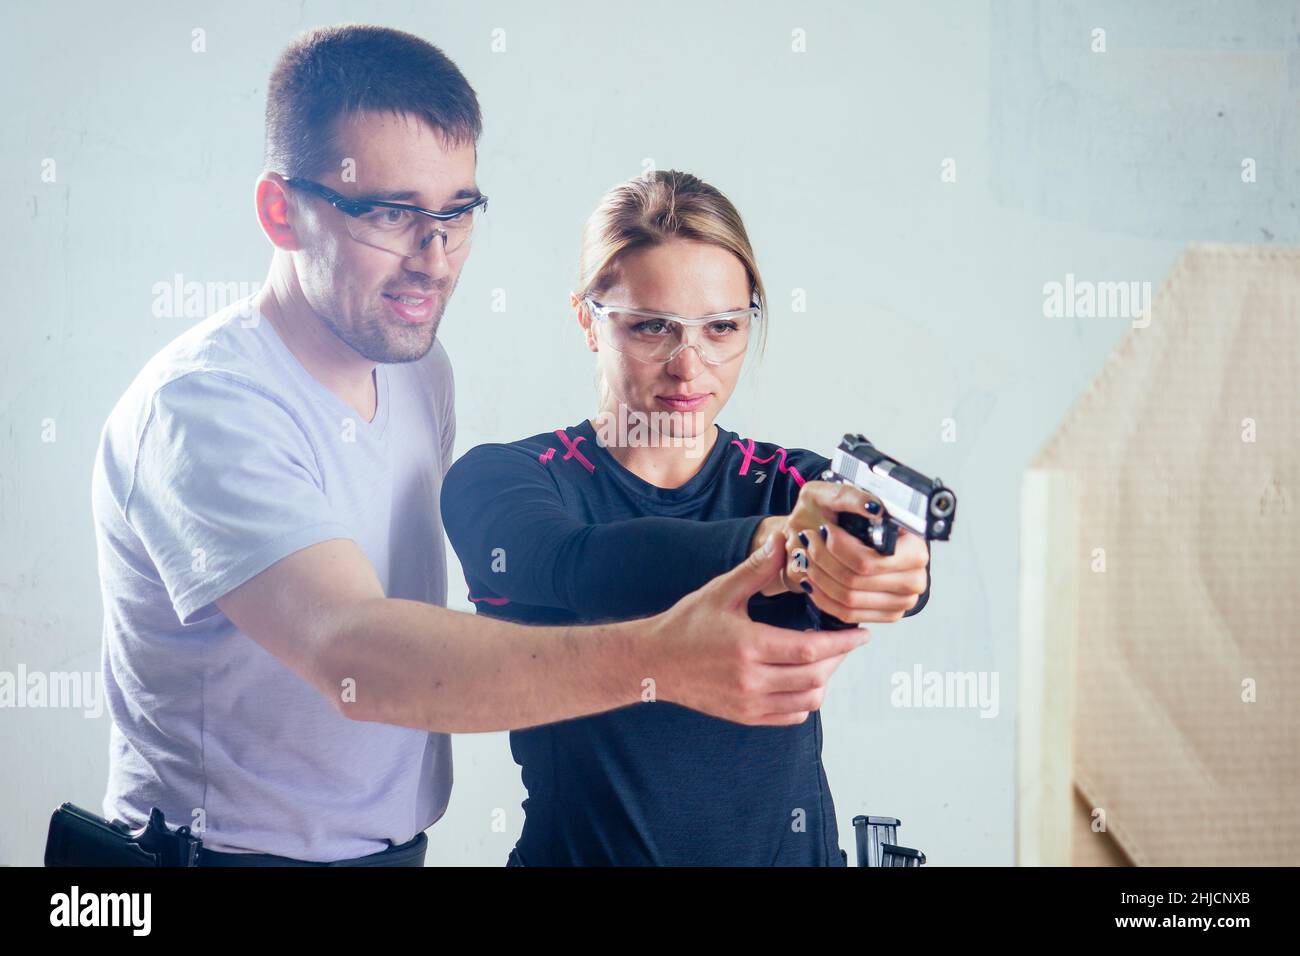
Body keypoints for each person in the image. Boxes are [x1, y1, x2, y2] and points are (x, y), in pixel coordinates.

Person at [89, 26, 867, 867]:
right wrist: (665, 661)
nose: (435, 258)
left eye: (456, 213)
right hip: (222, 859)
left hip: (390, 851)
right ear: (283, 212)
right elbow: (355, 652)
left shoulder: (419, 371)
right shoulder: (205, 405)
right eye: (391, 213)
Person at [441, 170, 932, 866]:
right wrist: (775, 544)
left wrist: (899, 565)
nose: (688, 366)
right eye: (651, 328)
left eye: (722, 328)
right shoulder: (508, 479)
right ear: (587, 320)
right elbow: (569, 563)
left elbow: (882, 551)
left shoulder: (796, 483)